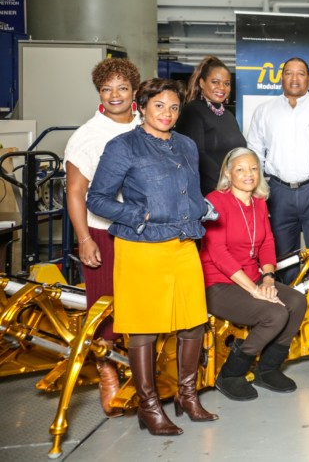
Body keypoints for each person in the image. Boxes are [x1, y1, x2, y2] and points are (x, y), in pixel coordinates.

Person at [87, 78, 216, 436]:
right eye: (159, 105)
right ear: (141, 107)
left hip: (183, 244)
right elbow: (96, 199)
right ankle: (149, 407)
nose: (167, 113)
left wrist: (202, 209)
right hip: (141, 248)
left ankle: (186, 397)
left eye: (174, 107)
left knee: (193, 322)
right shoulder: (123, 146)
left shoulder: (186, 145)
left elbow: (188, 190)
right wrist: (136, 215)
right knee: (143, 328)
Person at [64, 58, 141, 418]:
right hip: (103, 230)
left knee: (141, 304)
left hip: (145, 231)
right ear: (99, 92)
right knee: (105, 307)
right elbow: (76, 192)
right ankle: (107, 372)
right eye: (107, 89)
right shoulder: (87, 136)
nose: (114, 95)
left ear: (134, 91)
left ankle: (140, 371)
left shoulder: (149, 124)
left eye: (122, 88)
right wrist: (84, 238)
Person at [201, 148, 307, 401]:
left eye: (253, 168)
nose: (248, 174)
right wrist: (255, 290)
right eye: (240, 169)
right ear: (228, 173)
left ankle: (267, 369)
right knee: (275, 313)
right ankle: (231, 374)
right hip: (218, 283)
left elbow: (267, 242)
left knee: (297, 301)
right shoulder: (215, 200)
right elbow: (217, 252)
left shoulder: (259, 200)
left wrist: (268, 278)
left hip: (253, 278)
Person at [246, 58, 309, 283]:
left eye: (300, 73)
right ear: (281, 78)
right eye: (288, 73)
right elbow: (254, 156)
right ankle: (288, 310)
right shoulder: (264, 112)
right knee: (281, 257)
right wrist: (258, 195)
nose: (294, 78)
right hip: (277, 192)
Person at [176, 56, 246, 196]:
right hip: (208, 194)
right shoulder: (192, 111)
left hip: (233, 191)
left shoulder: (229, 115)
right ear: (202, 83)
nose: (222, 87)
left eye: (227, 83)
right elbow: (196, 155)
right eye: (215, 82)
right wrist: (227, 181)